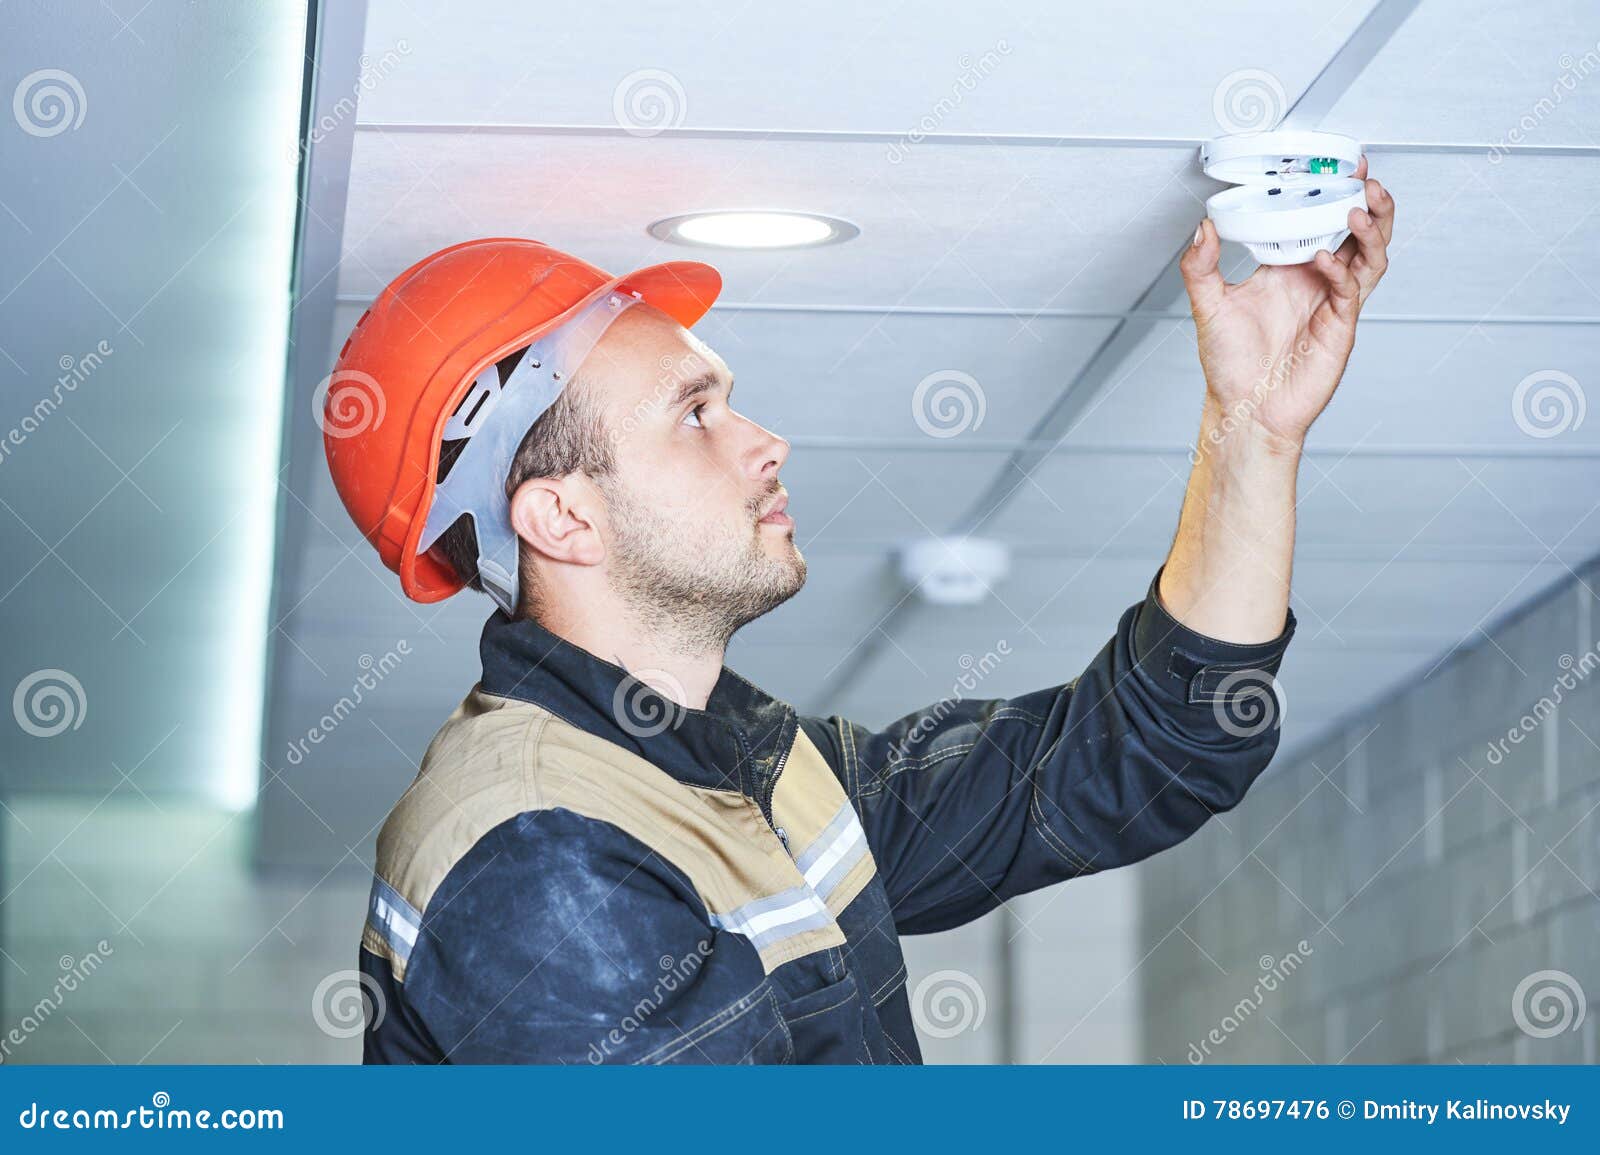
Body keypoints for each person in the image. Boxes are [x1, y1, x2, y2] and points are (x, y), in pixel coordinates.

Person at [325, 165, 1395, 1063]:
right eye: (693, 415)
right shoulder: (534, 852)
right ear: (563, 516)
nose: (763, 441)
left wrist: (1253, 428)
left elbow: (1146, 754)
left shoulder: (754, 771)